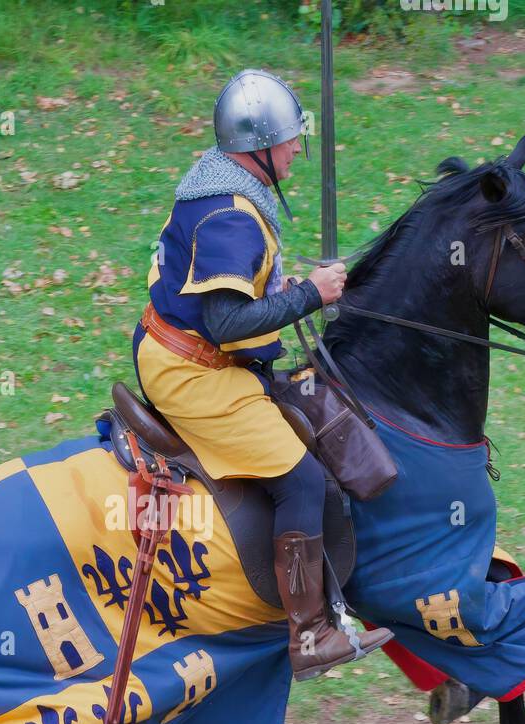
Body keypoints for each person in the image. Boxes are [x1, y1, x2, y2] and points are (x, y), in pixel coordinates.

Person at [132, 68, 387, 681]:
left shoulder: (221, 183)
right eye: (292, 139)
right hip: (196, 367)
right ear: (260, 148)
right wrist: (311, 295)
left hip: (187, 347)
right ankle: (309, 635)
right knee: (302, 481)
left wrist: (295, 287)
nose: (300, 147)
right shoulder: (230, 216)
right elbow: (226, 323)